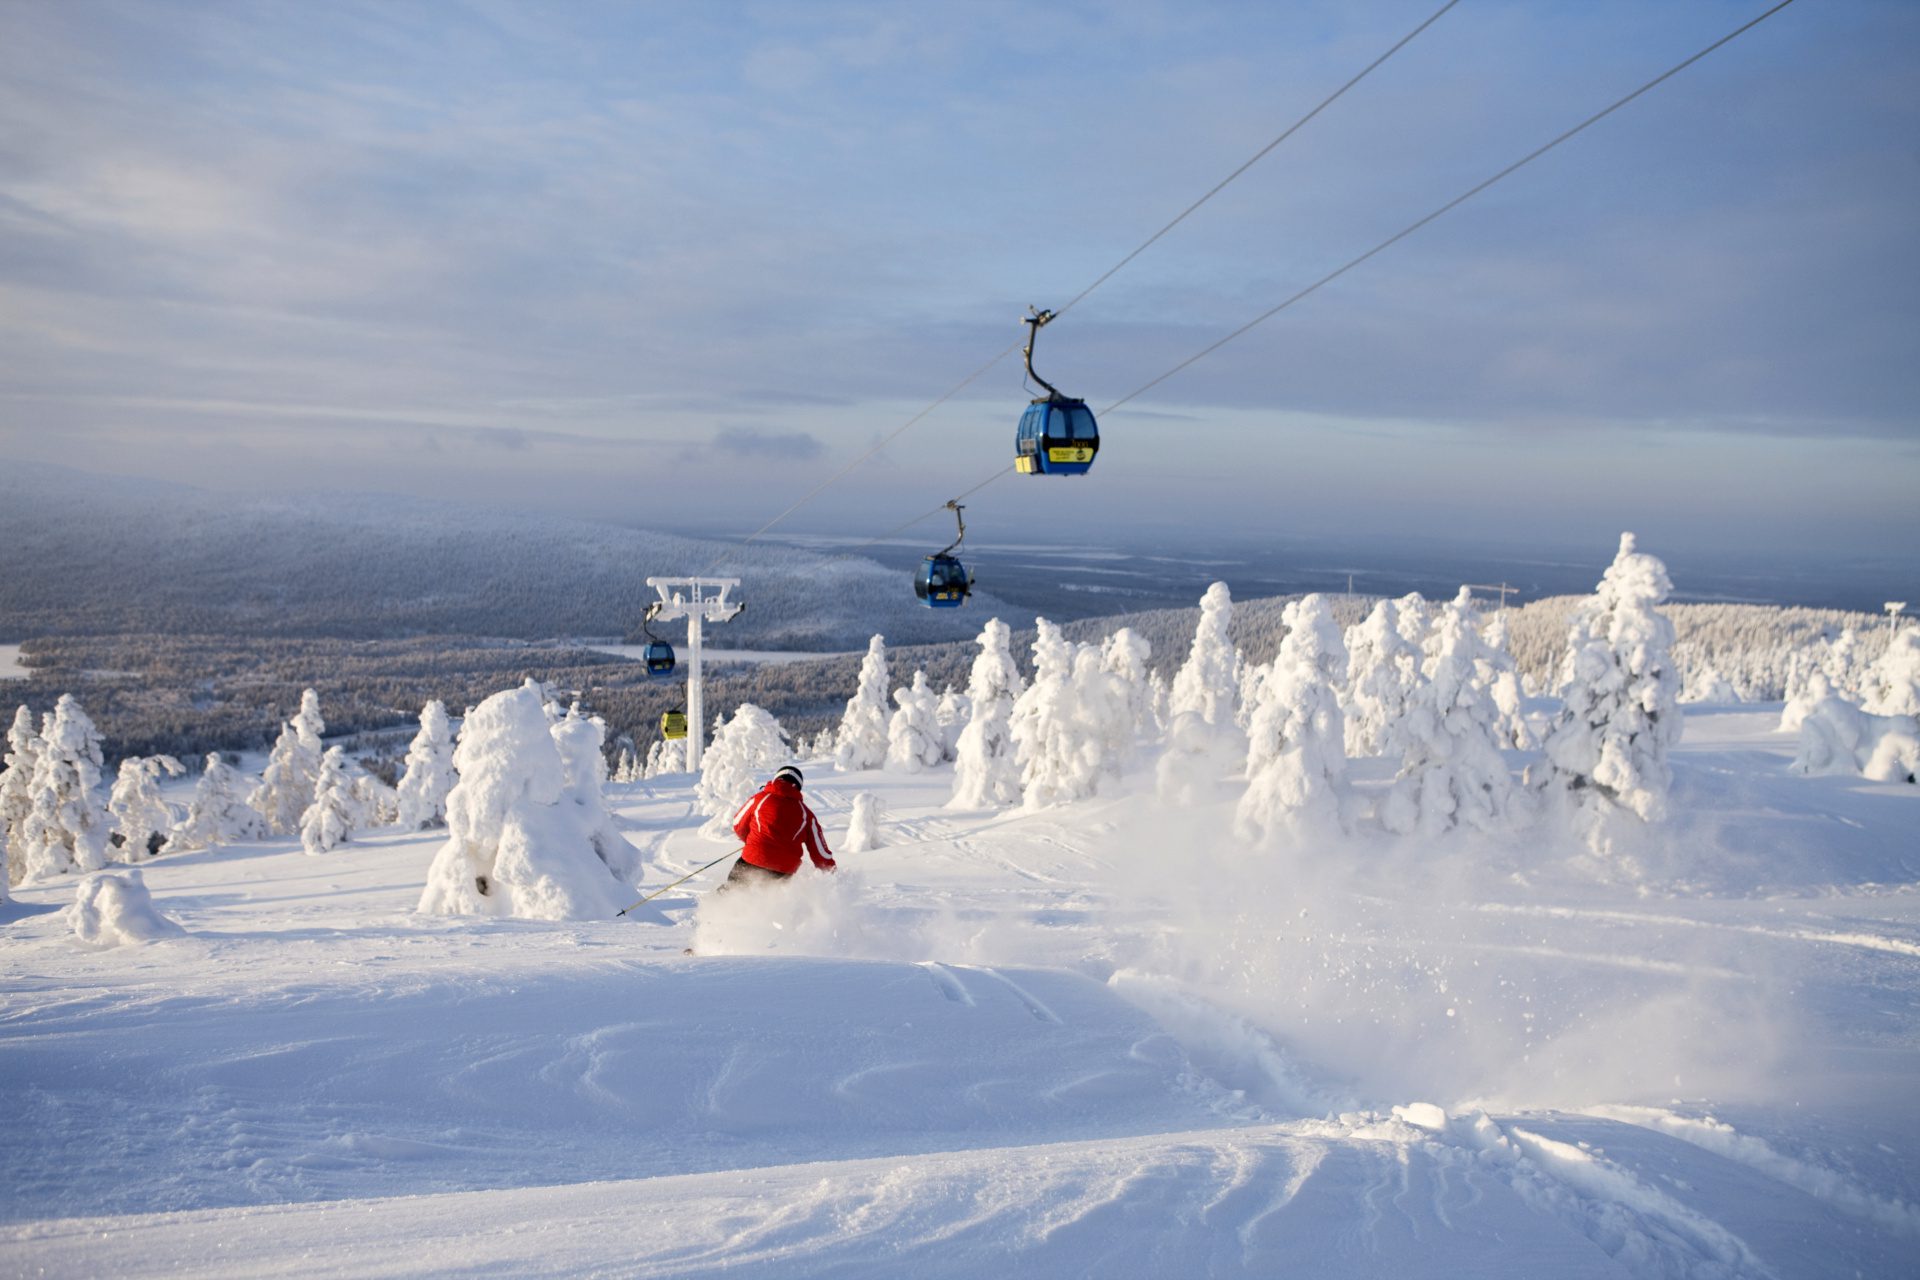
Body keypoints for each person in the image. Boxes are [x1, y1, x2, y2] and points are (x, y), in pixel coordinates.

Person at [721, 764, 835, 890]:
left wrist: (750, 840)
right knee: (770, 902)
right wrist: (832, 875)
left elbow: (738, 824)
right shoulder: (807, 815)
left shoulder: (759, 799)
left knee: (731, 891)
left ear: (776, 779)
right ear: (798, 787)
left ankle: (717, 906)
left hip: (753, 859)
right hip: (784, 871)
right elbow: (821, 853)